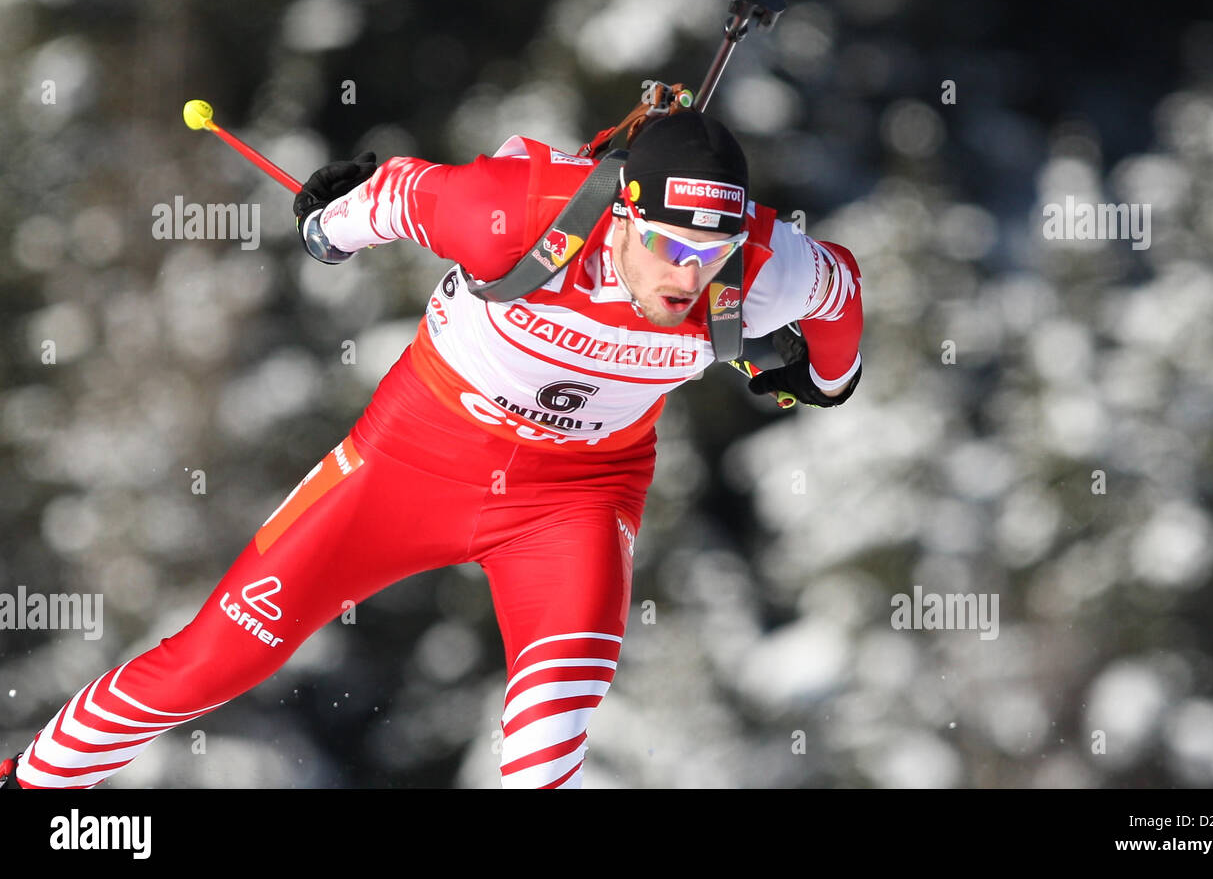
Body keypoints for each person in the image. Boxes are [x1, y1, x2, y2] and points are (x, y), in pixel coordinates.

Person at [0, 109, 861, 789]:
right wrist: (327, 228)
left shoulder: (768, 265)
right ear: (627, 217)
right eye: (672, 248)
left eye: (712, 256)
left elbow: (844, 296)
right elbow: (397, 194)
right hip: (414, 458)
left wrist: (822, 377)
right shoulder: (513, 209)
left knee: (550, 732)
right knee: (211, 662)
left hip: (575, 495)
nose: (689, 278)